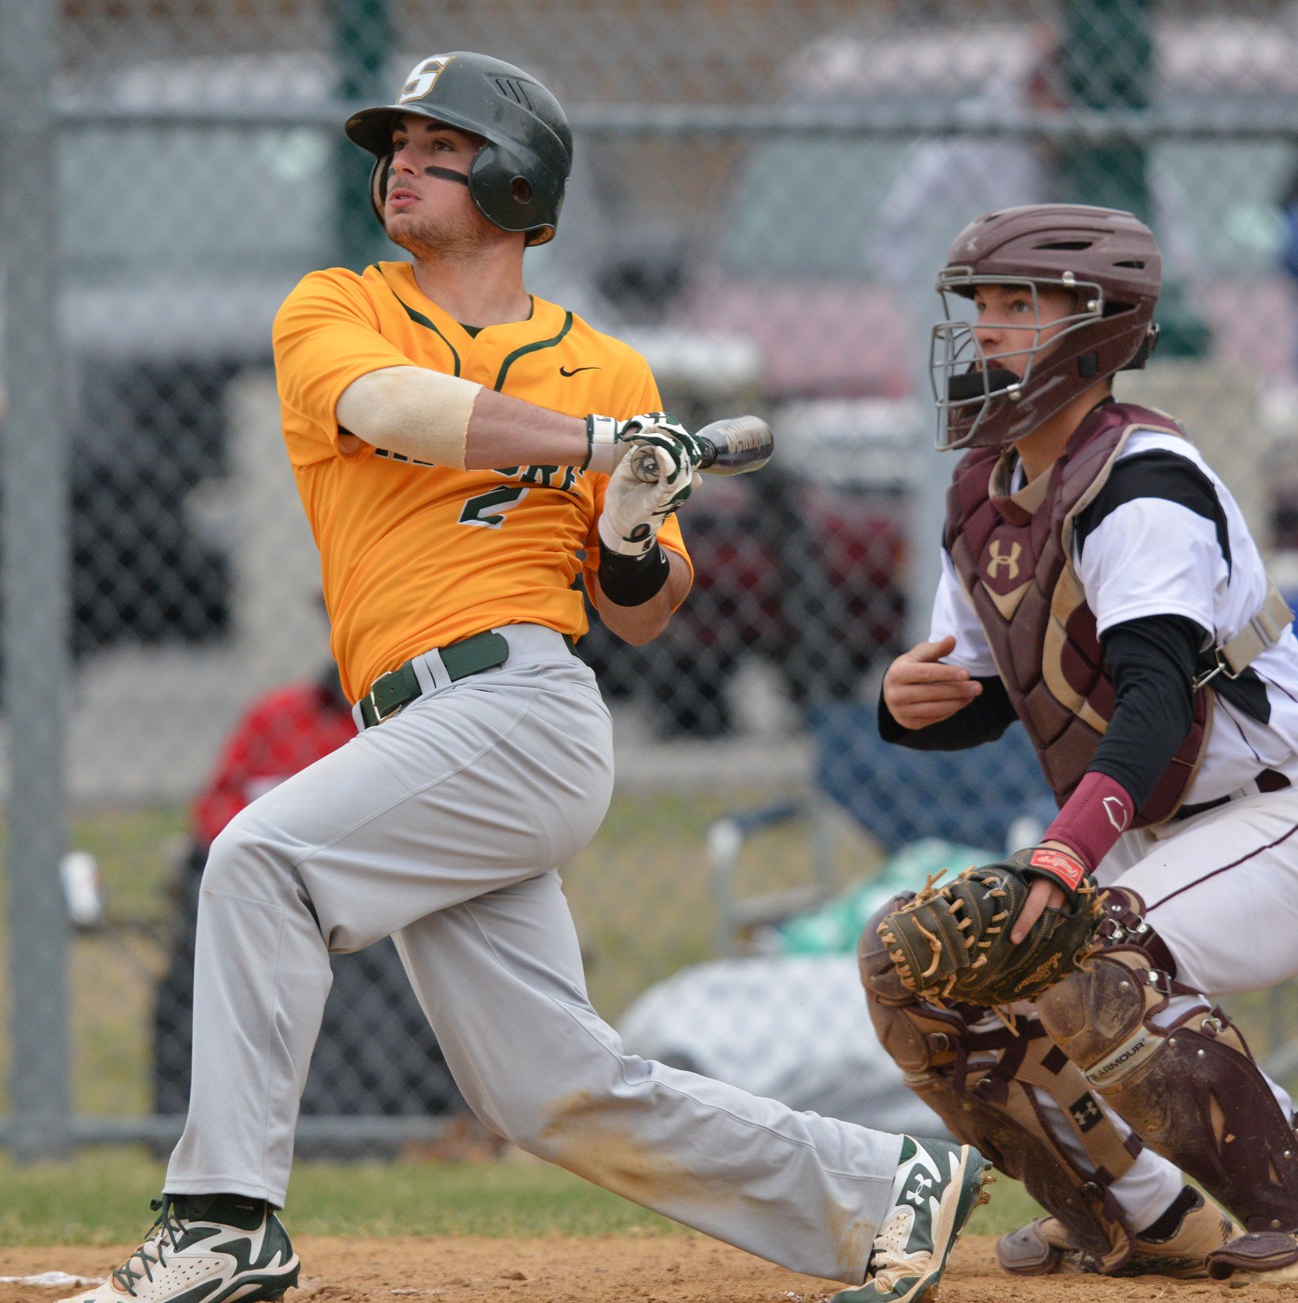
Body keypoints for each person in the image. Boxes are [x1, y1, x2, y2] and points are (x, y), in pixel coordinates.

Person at [59, 51, 989, 1303]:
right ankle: (883, 1187)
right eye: (396, 147)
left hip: (519, 710)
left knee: (260, 861)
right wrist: (604, 449)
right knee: (547, 1087)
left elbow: (649, 609)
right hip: (418, 727)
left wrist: (623, 523)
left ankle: (223, 1221)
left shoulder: (606, 365)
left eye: (438, 149)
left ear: (510, 179)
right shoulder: (341, 307)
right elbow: (400, 410)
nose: (401, 166)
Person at [863, 202, 1298, 1285]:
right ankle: (1139, 1212)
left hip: (1273, 806)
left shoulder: (1143, 482)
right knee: (918, 967)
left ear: (1098, 327)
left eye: (1021, 304)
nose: (988, 330)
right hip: (1157, 818)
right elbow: (1021, 690)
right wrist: (905, 700)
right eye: (981, 306)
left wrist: (1063, 854)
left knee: (1093, 954)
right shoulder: (987, 492)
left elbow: (1151, 699)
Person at [151, 663, 468, 1129]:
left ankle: (389, 1125)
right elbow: (216, 808)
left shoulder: (423, 716)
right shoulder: (277, 716)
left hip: (375, 895)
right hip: (274, 888)